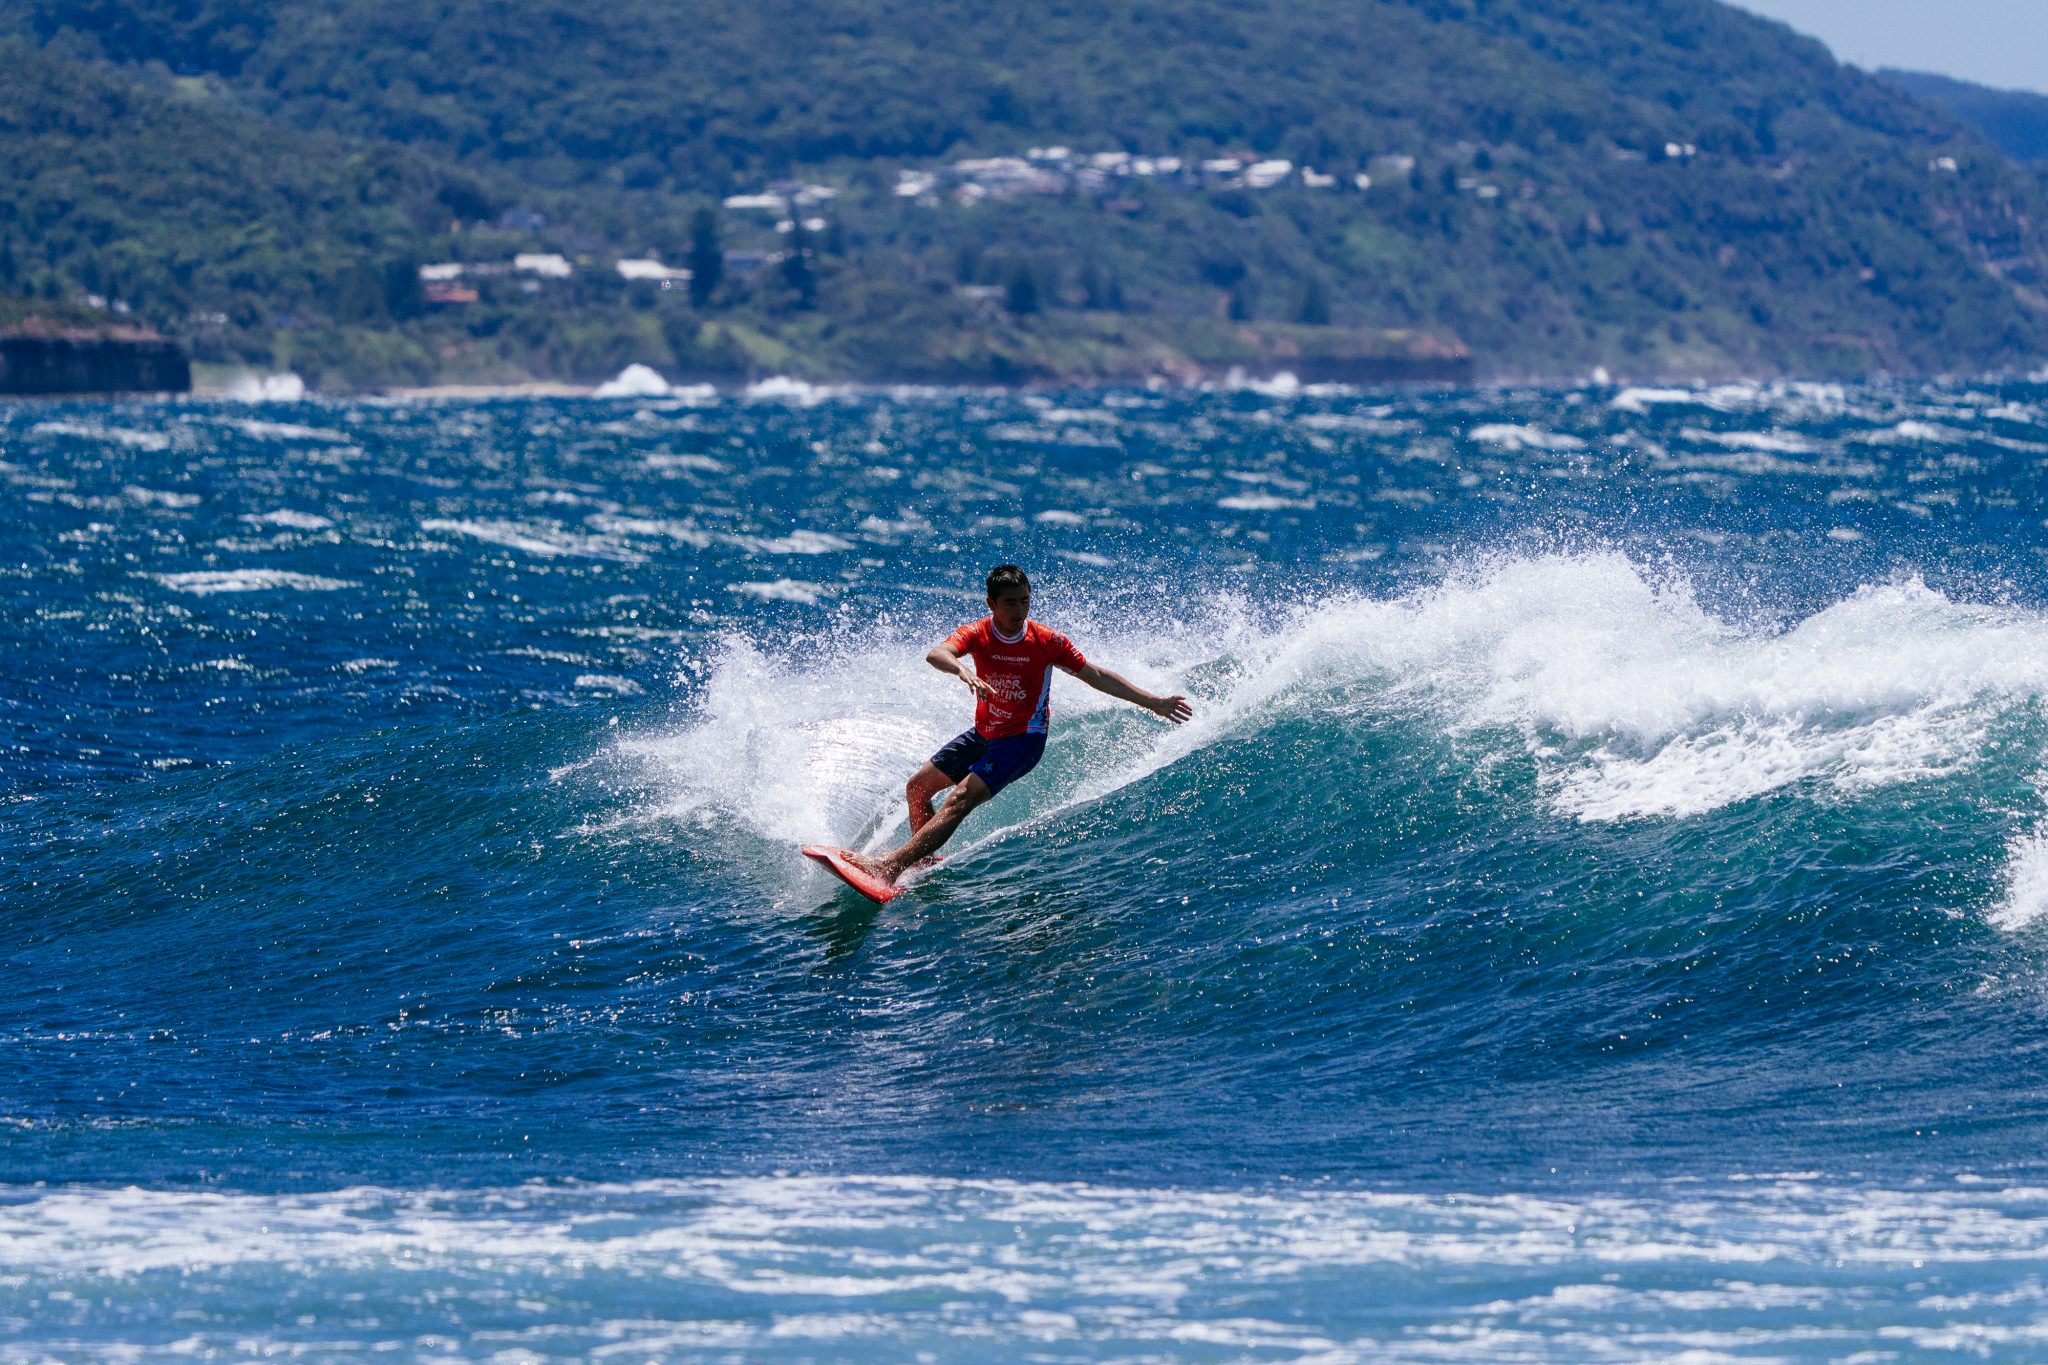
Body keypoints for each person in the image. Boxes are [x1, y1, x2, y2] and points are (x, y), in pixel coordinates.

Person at [844, 564, 1192, 888]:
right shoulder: (978, 633)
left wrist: (1155, 703)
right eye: (1010, 603)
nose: (1019, 610)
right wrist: (961, 669)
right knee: (918, 788)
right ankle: (922, 864)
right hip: (985, 733)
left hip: (1024, 740)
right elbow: (938, 653)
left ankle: (890, 867)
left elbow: (1096, 676)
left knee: (959, 799)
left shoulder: (1047, 641)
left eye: (1025, 601)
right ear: (991, 603)